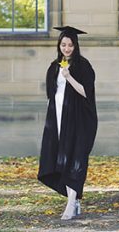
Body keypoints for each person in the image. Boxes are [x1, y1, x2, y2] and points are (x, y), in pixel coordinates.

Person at [37, 26, 98, 220]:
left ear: (75, 45)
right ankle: (76, 200)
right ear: (59, 45)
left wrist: (69, 76)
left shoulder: (82, 65)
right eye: (63, 44)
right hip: (59, 120)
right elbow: (51, 95)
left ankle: (71, 204)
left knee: (76, 157)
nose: (67, 48)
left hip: (78, 120)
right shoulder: (54, 66)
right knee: (60, 158)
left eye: (70, 45)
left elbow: (86, 92)